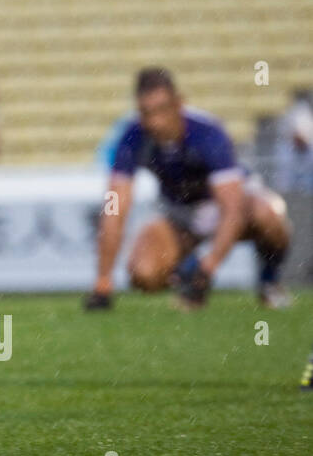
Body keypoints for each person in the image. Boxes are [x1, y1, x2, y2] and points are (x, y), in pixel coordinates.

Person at [84, 67, 292, 311]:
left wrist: (209, 268)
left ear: (179, 103)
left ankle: (269, 281)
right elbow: (114, 205)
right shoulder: (132, 136)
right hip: (181, 214)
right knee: (144, 273)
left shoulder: (207, 132)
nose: (155, 122)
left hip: (229, 206)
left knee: (269, 214)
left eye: (161, 110)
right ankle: (186, 275)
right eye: (146, 113)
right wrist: (103, 281)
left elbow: (232, 207)